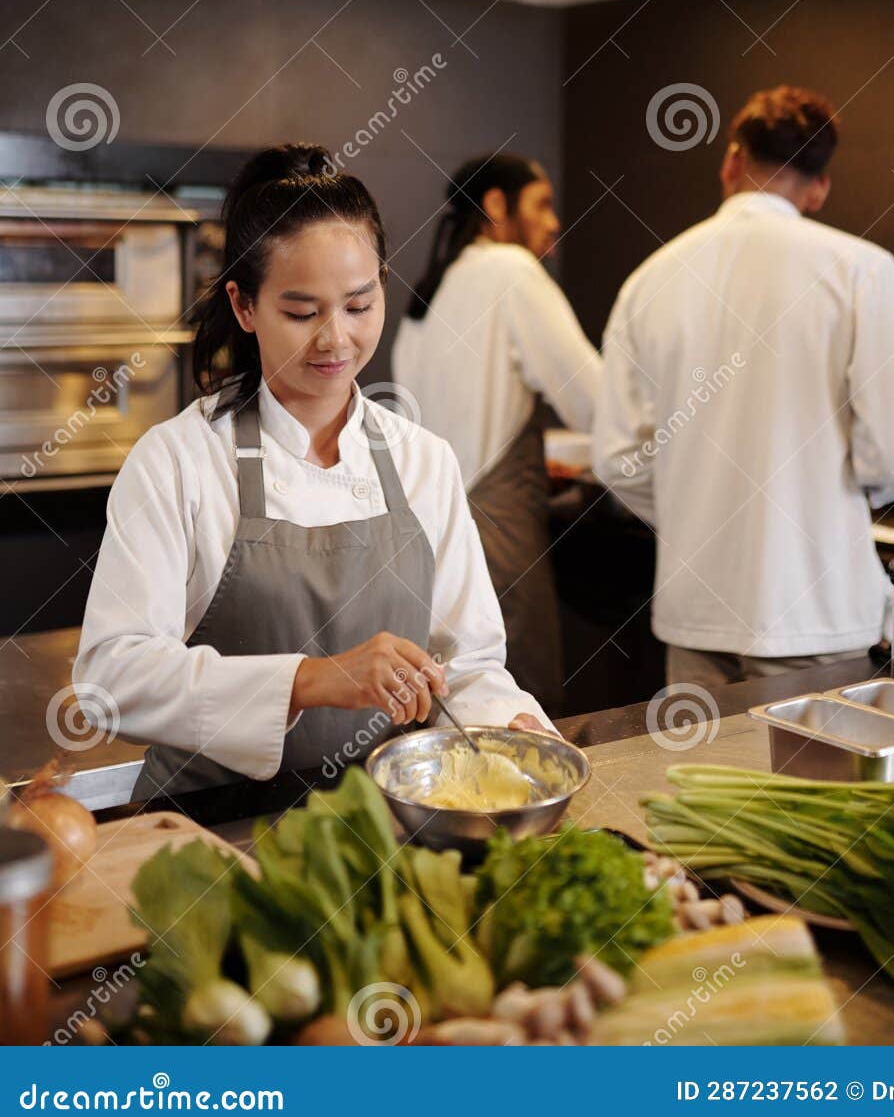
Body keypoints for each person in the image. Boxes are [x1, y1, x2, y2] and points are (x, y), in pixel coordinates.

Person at [75, 144, 549, 800]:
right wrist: (311, 680)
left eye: (358, 305)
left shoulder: (422, 460)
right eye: (302, 313)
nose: (335, 339)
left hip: (381, 824)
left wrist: (509, 723)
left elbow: (465, 665)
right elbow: (110, 679)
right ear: (244, 306)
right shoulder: (178, 460)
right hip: (203, 826)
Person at [593, 85, 894, 694]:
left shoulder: (650, 279)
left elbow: (619, 458)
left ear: (732, 160)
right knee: (812, 788)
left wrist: (695, 508)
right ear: (818, 188)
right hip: (817, 612)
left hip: (693, 613)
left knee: (699, 788)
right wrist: (841, 494)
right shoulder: (864, 270)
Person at [392, 153, 601, 715]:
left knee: (448, 704)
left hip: (426, 531)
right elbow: (593, 400)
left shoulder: (428, 293)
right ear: (495, 206)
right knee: (522, 700)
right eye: (542, 204)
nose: (554, 221)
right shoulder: (511, 270)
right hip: (499, 535)